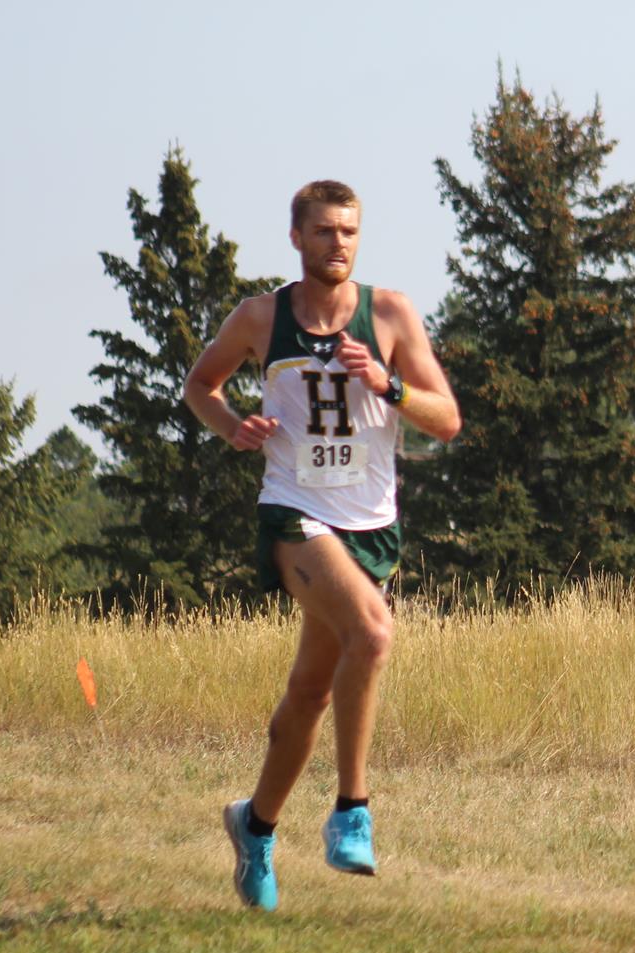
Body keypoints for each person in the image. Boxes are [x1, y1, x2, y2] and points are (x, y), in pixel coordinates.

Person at [184, 180, 461, 911]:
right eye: (324, 231)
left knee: (311, 691)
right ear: (296, 238)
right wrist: (233, 426)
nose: (338, 243)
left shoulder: (390, 313)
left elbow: (446, 419)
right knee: (373, 632)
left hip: (372, 527)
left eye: (349, 231)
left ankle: (254, 825)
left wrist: (389, 385)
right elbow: (201, 384)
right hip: (295, 514)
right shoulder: (260, 317)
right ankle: (351, 811)